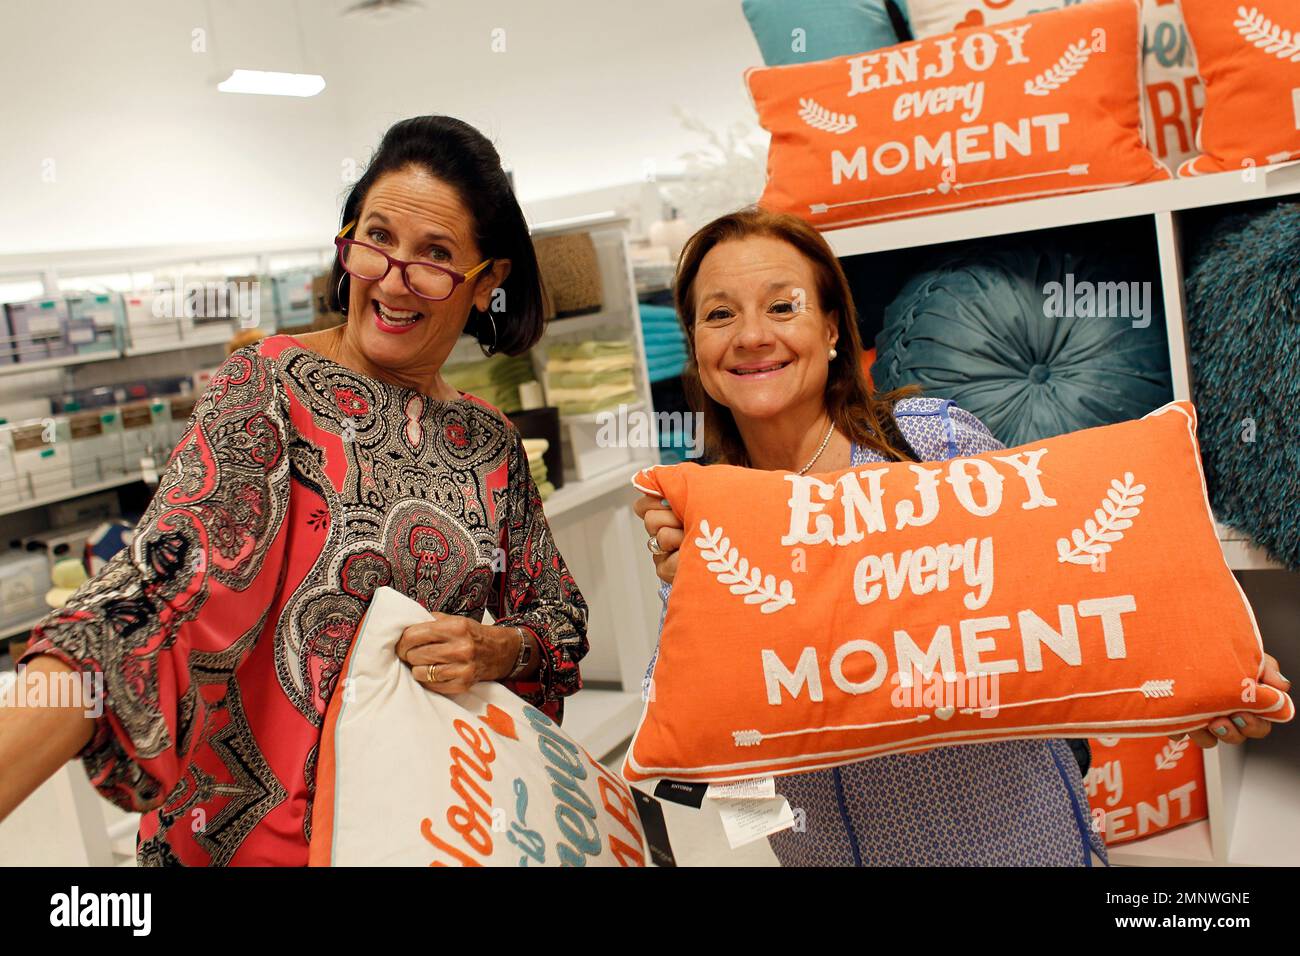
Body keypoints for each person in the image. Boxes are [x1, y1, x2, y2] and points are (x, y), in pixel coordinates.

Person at [0, 115, 589, 865]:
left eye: (435, 256)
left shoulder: (489, 442)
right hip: (254, 841)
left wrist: (500, 647)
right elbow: (167, 580)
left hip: (429, 829)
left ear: (488, 283)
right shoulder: (272, 388)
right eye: (376, 238)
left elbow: (559, 617)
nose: (392, 277)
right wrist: (50, 697)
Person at [634, 208, 1289, 866]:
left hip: (1019, 847)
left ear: (831, 328)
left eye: (783, 306)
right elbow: (694, 747)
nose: (751, 336)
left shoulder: (928, 440)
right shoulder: (703, 516)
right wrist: (698, 594)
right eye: (719, 314)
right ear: (694, 345)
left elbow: (1068, 595)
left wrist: (1205, 679)